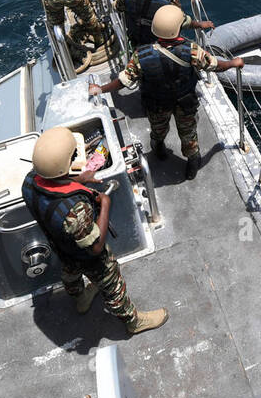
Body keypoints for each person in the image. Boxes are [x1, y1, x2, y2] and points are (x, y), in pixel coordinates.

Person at [23, 127, 167, 336]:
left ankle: (80, 299)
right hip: (87, 255)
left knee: (70, 272)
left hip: (60, 244)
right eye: (72, 156)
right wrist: (105, 204)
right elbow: (96, 246)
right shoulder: (75, 211)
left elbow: (51, 186)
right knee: (111, 283)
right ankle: (133, 321)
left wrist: (78, 181)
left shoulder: (28, 182)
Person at [90, 5, 244, 180]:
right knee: (188, 134)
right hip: (184, 102)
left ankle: (159, 149)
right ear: (177, 28)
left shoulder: (141, 55)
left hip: (157, 103)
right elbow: (216, 66)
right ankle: (192, 162)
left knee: (158, 130)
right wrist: (234, 63)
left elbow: (123, 82)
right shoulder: (192, 50)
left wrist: (100, 89)